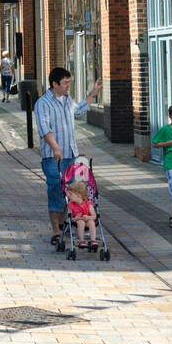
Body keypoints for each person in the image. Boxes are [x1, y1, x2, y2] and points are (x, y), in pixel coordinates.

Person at [34, 68, 103, 245]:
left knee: (70, 191)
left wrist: (93, 93)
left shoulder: (67, 100)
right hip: (53, 157)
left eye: (69, 82)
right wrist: (56, 148)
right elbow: (44, 129)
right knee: (55, 189)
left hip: (70, 154)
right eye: (65, 83)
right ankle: (56, 229)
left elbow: (79, 110)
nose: (68, 86)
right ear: (55, 84)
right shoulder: (43, 103)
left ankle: (63, 222)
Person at [65, 177, 98, 250]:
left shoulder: (88, 204)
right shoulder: (71, 205)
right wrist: (75, 218)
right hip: (78, 221)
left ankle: (93, 240)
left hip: (87, 220)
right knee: (81, 222)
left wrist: (88, 217)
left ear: (78, 195)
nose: (68, 196)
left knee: (91, 222)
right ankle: (81, 240)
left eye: (70, 194)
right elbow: (69, 217)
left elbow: (94, 216)